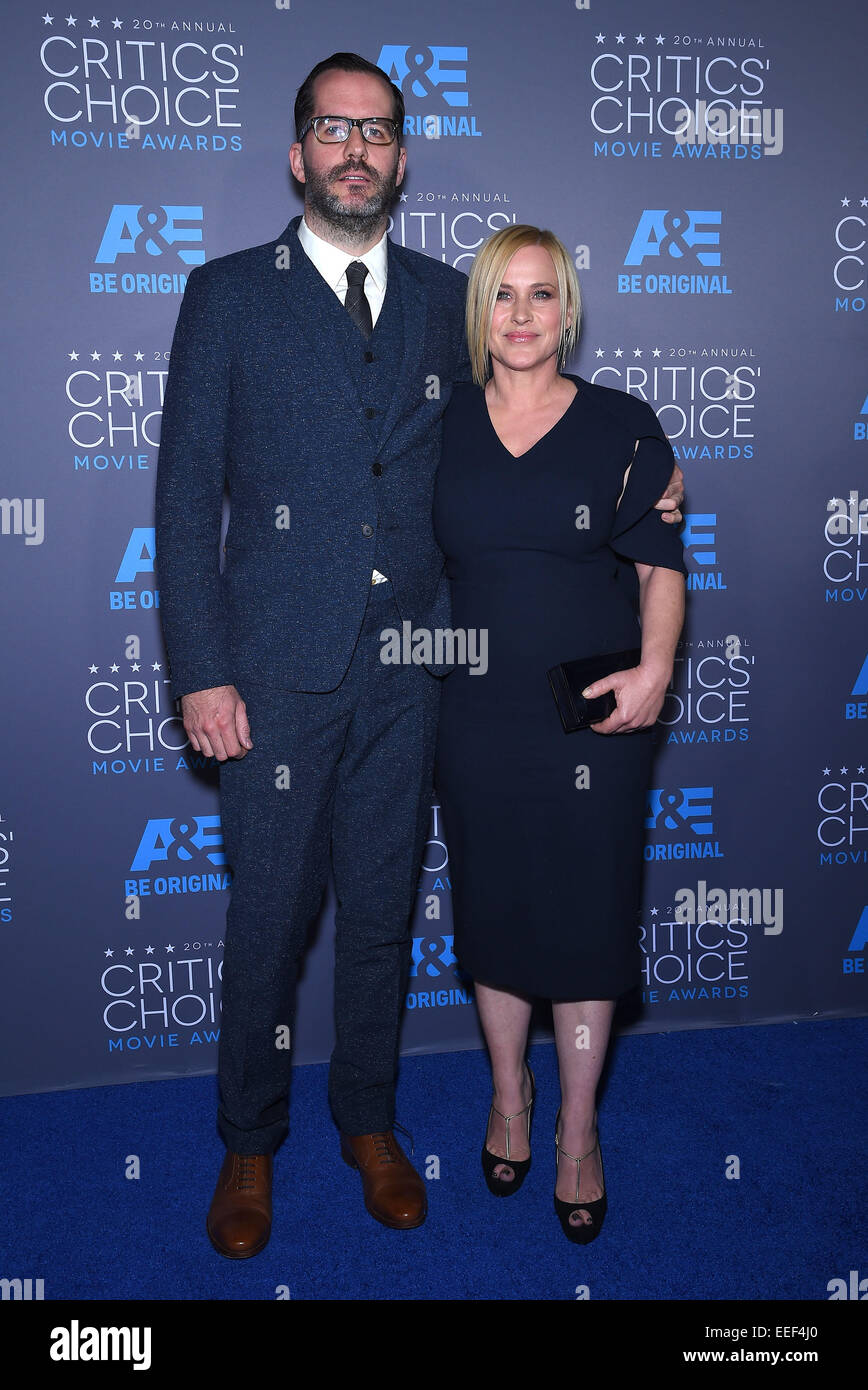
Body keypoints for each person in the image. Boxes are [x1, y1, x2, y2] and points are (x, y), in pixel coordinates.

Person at [155, 51, 684, 1260]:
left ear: (400, 160)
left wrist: (652, 483)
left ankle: (369, 1121)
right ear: (298, 153)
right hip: (272, 670)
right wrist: (200, 668)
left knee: (384, 913)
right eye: (333, 129)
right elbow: (184, 497)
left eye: (378, 132)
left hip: (415, 667)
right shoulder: (226, 295)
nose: (356, 151)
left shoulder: (456, 300)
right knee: (269, 915)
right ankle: (249, 1139)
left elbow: (541, 424)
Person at [432, 225, 687, 1243]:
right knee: (494, 914)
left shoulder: (623, 423)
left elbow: (660, 567)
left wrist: (656, 670)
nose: (522, 314)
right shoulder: (440, 421)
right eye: (503, 294)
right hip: (475, 714)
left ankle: (578, 1129)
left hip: (591, 714)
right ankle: (510, 1096)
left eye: (542, 294)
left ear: (568, 310)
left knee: (586, 925)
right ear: (479, 312)